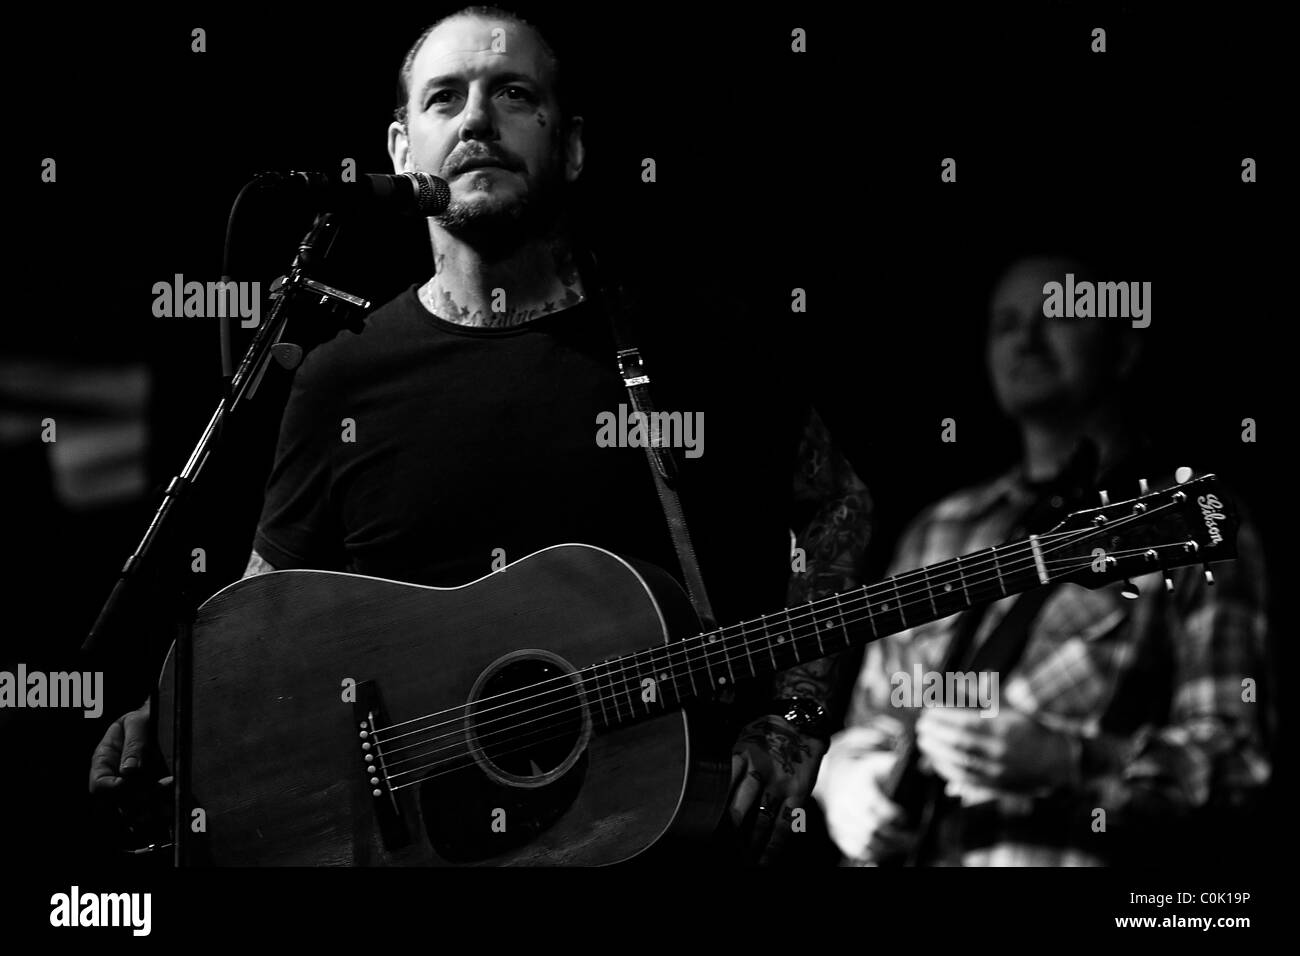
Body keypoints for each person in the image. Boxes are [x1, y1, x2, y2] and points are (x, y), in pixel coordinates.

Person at [89, 5, 870, 865]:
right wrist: (187, 725)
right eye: (444, 98)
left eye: (511, 94)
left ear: (569, 146)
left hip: (654, 831)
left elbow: (834, 508)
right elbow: (269, 616)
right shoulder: (341, 374)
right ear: (399, 152)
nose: (476, 120)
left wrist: (794, 717)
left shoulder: (694, 340)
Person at [814, 254, 1272, 866]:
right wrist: (844, 787)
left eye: (1057, 313)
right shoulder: (938, 529)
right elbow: (868, 726)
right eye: (1005, 323)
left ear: (1123, 348)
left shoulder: (1186, 522)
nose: (1025, 338)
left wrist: (1069, 761)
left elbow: (1237, 765)